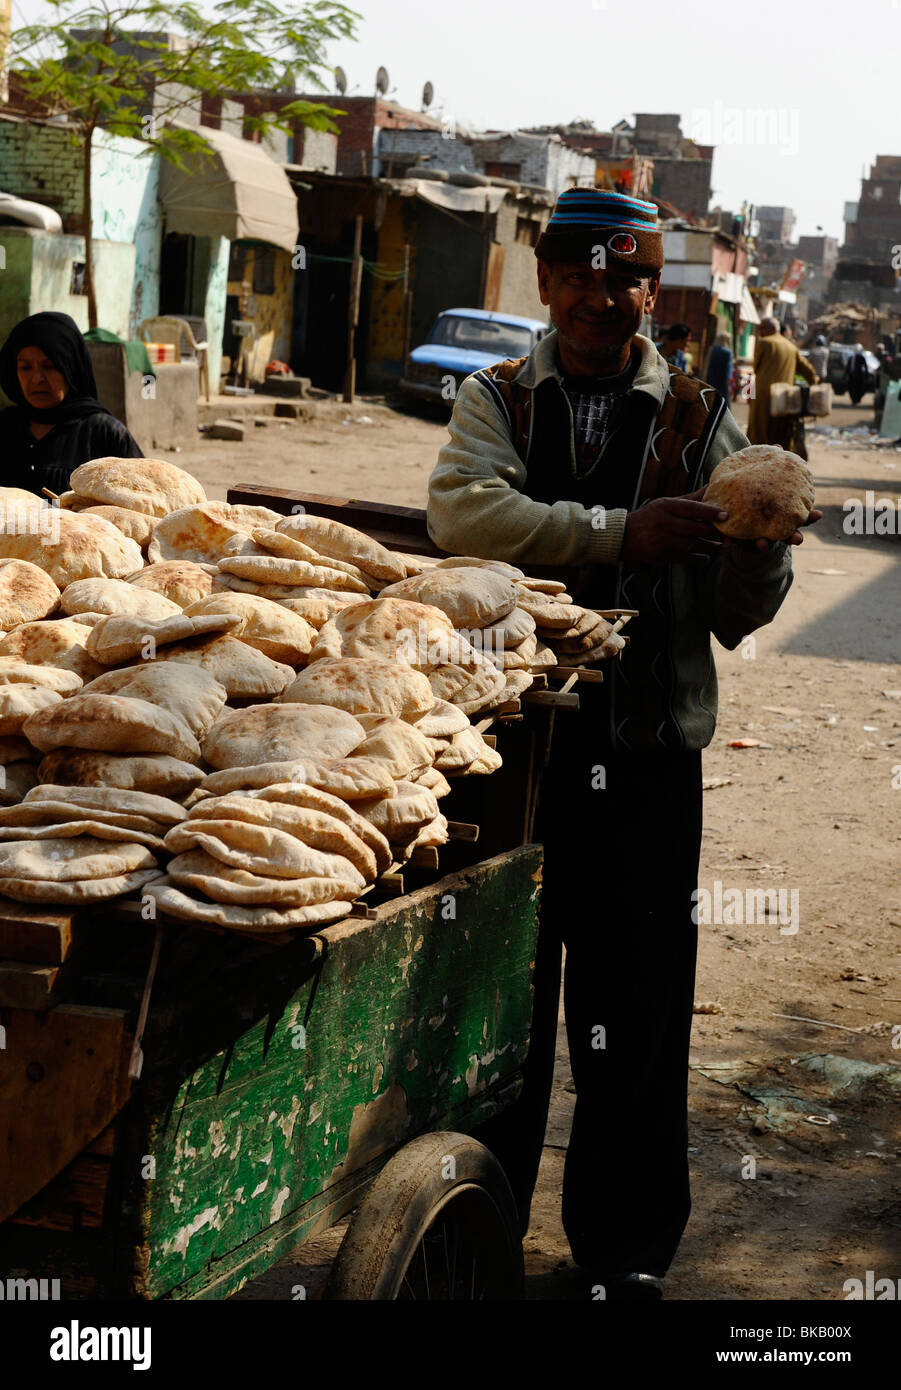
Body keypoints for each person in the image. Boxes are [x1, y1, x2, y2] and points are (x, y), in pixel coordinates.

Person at [427, 187, 821, 1301]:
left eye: (623, 278)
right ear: (544, 280)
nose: (600, 297)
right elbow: (465, 515)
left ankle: (625, 1254)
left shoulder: (698, 418)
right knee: (493, 1000)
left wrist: (755, 548)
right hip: (504, 749)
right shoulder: (496, 397)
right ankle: (473, 1228)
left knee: (632, 1012)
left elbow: (743, 613)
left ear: (653, 289)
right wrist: (617, 532)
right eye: (579, 275)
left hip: (644, 756)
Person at [0, 311, 142, 498]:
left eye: (49, 366)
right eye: (25, 367)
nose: (36, 379)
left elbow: (144, 502)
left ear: (71, 368)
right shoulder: (5, 426)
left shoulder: (104, 434)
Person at [747, 316, 818, 448]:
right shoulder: (792, 347)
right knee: (782, 434)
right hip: (784, 398)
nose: (760, 332)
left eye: (762, 328)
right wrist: (814, 384)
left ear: (773, 328)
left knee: (759, 435)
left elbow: (755, 368)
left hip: (763, 397)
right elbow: (809, 372)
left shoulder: (764, 343)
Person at [704, 330, 734, 405]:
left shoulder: (712, 349)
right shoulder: (727, 352)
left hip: (710, 380)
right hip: (722, 383)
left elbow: (706, 366)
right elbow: (728, 370)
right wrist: (729, 381)